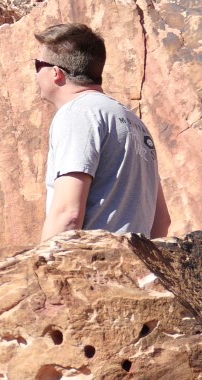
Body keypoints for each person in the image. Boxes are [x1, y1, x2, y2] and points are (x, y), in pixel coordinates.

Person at [34, 23, 170, 241]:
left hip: (89, 268)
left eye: (38, 65)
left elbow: (68, 214)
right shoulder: (133, 122)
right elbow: (161, 222)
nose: (36, 74)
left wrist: (41, 271)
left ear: (57, 73)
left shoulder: (76, 114)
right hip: (133, 268)